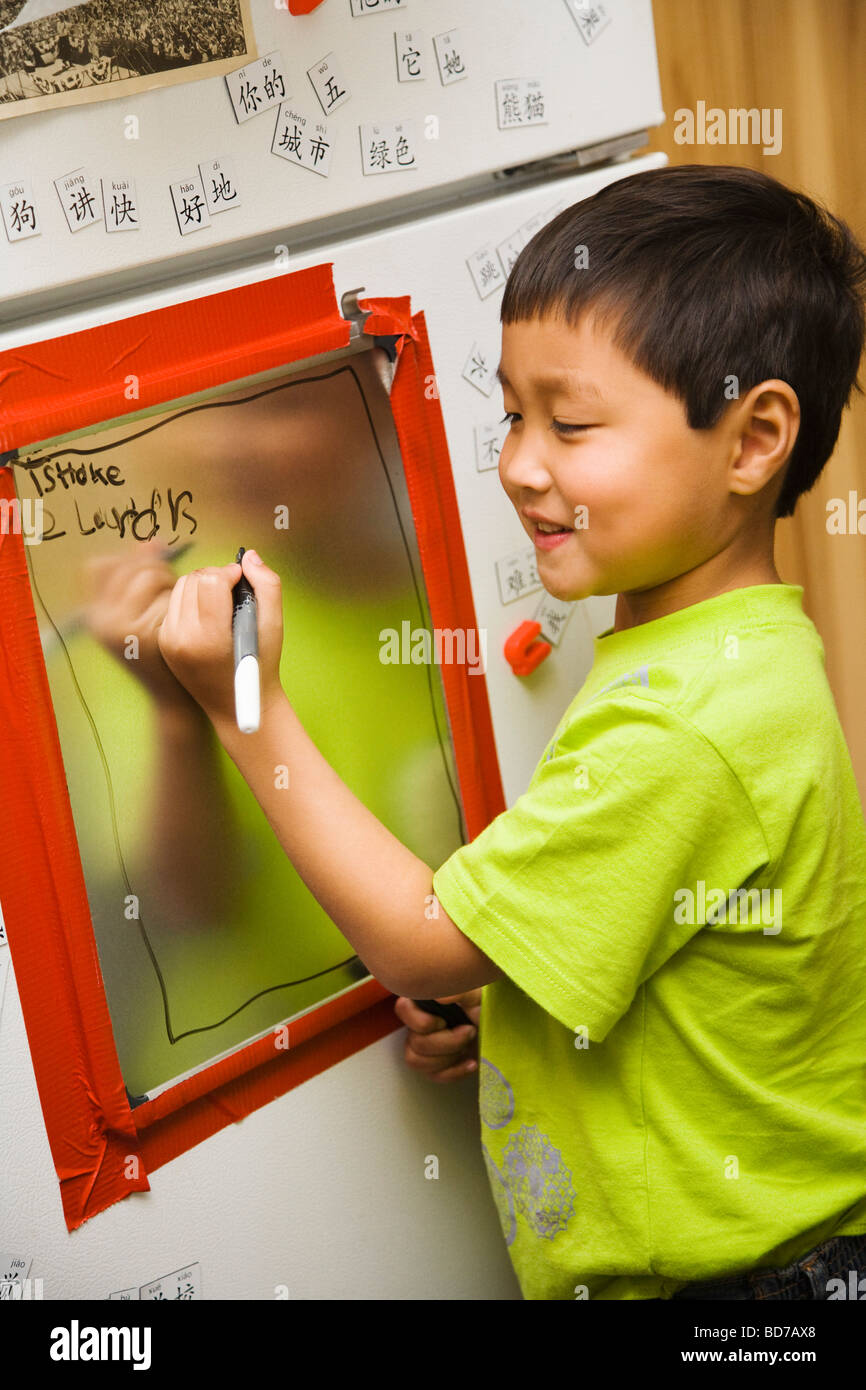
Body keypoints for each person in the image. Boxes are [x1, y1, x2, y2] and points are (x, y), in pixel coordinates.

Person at [155, 163, 866, 1301]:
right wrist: (532, 1013)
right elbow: (697, 976)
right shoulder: (733, 657)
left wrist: (246, 702)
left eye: (571, 426)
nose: (519, 465)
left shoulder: (682, 722)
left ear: (750, 440)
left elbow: (427, 940)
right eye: (511, 414)